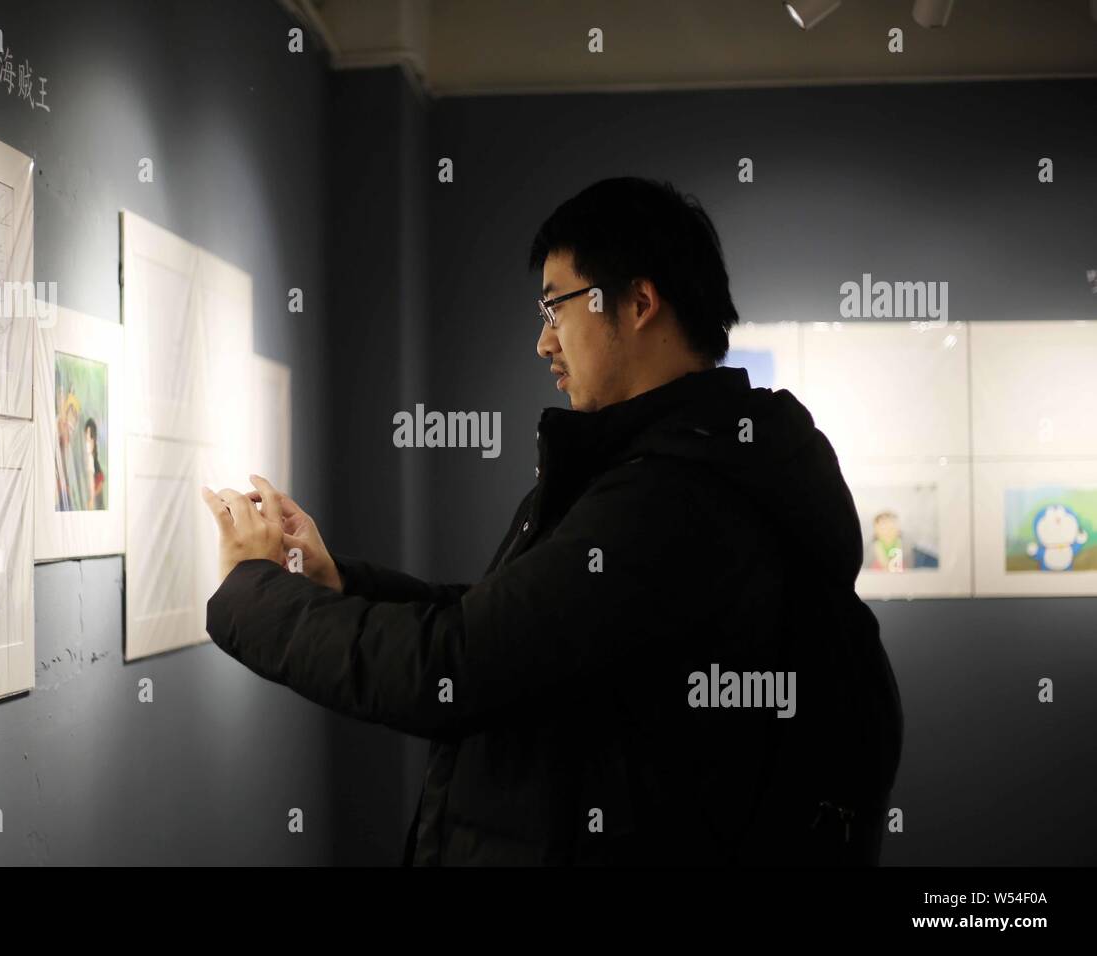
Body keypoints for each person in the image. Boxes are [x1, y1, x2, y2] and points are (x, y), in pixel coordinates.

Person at [201, 177, 902, 866]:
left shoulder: (675, 500)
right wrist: (336, 584)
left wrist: (254, 595)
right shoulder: (679, 469)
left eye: (554, 307)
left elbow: (456, 666)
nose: (544, 342)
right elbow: (499, 624)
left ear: (637, 302)